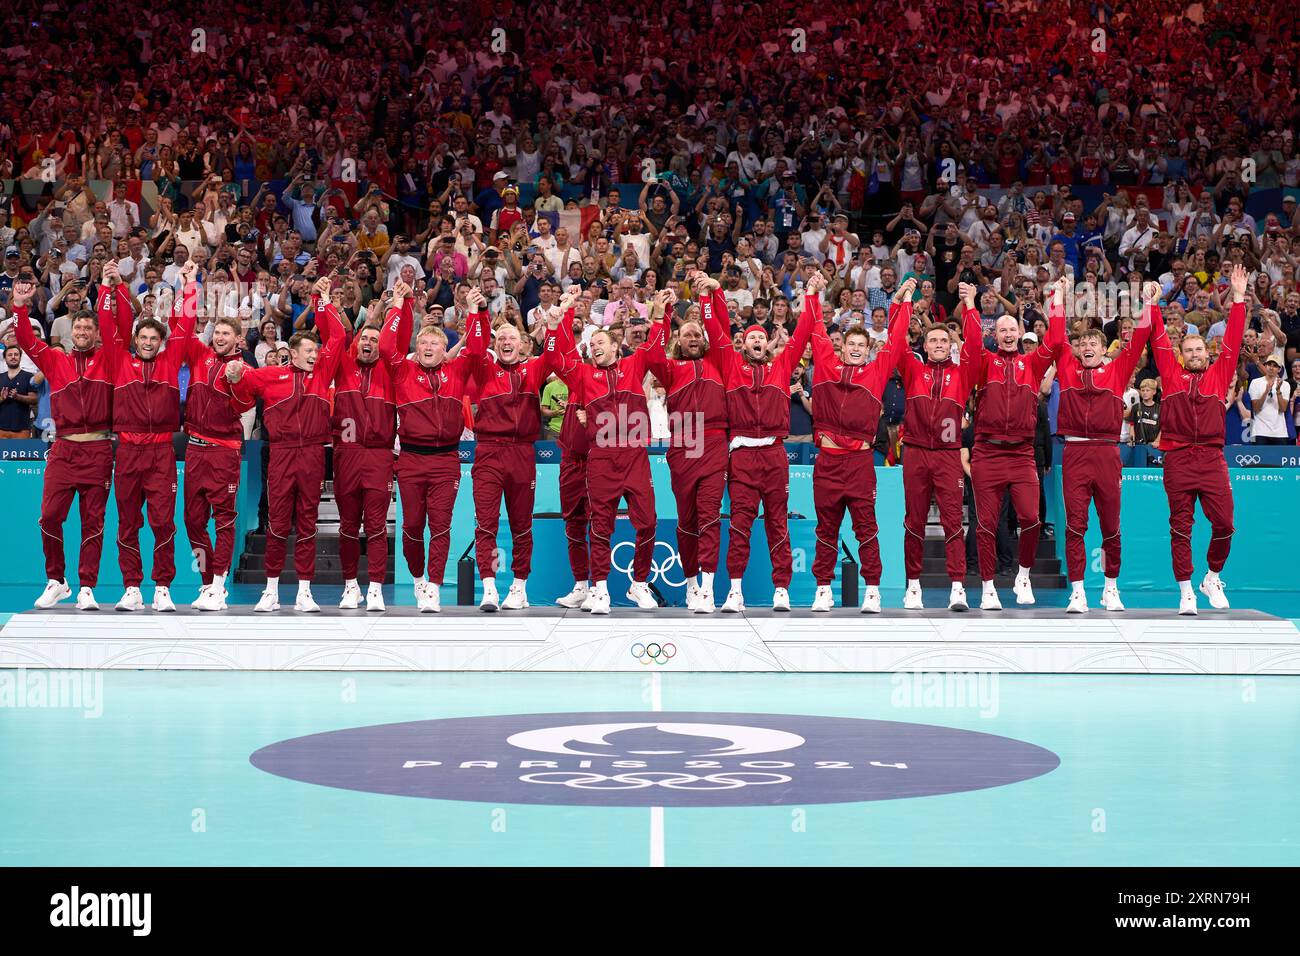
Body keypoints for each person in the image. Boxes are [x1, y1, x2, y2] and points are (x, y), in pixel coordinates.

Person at [225, 278, 348, 613]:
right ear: (292, 354)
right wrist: (234, 370)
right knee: (277, 523)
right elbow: (242, 380)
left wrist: (320, 300)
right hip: (279, 455)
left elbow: (338, 337)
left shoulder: (322, 373)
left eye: (315, 351)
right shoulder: (271, 375)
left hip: (312, 453)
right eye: (308, 351)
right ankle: (271, 589)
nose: (314, 355)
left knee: (308, 522)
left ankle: (305, 590)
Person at [700, 271, 815, 612]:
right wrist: (710, 296)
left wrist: (811, 295)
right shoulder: (731, 365)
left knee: (778, 522)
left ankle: (782, 588)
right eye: (750, 336)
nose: (756, 341)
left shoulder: (781, 368)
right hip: (743, 456)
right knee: (740, 523)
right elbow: (714, 331)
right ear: (744, 343)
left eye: (761, 338)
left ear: (767, 345)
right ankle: (735, 590)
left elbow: (804, 330)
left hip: (775, 456)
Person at [545, 288, 663, 615]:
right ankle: (599, 589)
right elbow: (555, 359)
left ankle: (639, 584)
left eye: (601, 343)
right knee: (600, 525)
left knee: (648, 522)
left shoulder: (634, 364)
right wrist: (555, 327)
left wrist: (660, 315)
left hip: (635, 456)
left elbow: (654, 349)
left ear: (616, 346)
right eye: (591, 345)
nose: (595, 347)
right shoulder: (584, 375)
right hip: (601, 457)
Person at [1043, 276, 1155, 614]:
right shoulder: (1067, 365)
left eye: (1094, 340)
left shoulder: (1118, 370)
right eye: (1083, 342)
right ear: (1078, 349)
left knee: (1110, 525)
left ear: (1103, 347)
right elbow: (1058, 334)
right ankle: (1077, 591)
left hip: (1108, 452)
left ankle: (1111, 587)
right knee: (1075, 524)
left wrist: (1148, 304)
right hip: (1075, 452)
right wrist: (1060, 296)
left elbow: (1139, 339)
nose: (1087, 345)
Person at [805, 272, 913, 612]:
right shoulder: (824, 364)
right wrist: (812, 294)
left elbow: (896, 340)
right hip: (827, 463)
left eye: (860, 346)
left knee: (866, 527)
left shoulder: (877, 370)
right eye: (849, 344)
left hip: (859, 465)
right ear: (842, 347)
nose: (854, 349)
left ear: (869, 350)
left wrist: (903, 303)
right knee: (826, 528)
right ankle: (823, 588)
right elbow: (813, 330)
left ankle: (873, 589)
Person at [1148, 264, 1249, 614]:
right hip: (1177, 459)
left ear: (1207, 354)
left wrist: (1238, 298)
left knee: (1224, 524)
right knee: (1180, 528)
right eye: (1188, 350)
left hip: (1211, 460)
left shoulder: (1220, 374)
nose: (1193, 355)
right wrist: (1152, 306)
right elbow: (1159, 340)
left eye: (1199, 350)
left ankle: (1212, 576)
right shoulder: (1171, 376)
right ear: (1181, 355)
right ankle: (1186, 590)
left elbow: (1234, 339)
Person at [98, 262, 197, 612]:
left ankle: (163, 587)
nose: (148, 343)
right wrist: (110, 287)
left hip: (160, 454)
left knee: (162, 521)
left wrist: (189, 286)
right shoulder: (119, 362)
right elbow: (108, 325)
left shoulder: (171, 364)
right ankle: (131, 587)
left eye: (155, 339)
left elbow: (185, 326)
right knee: (127, 522)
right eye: (143, 338)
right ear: (136, 340)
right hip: (126, 451)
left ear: (161, 343)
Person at [380, 281, 485, 612]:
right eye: (422, 342)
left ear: (444, 349)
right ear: (416, 348)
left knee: (440, 526)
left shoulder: (456, 370)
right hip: (411, 460)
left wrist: (477, 312)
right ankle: (417, 579)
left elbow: (479, 349)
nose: (427, 347)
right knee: (411, 526)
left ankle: (434, 586)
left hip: (445, 462)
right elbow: (385, 347)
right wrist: (399, 304)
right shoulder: (403, 371)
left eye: (433, 343)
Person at [10, 282, 114, 610]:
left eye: (88, 327)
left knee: (93, 522)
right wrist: (20, 306)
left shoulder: (107, 361)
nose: (82, 330)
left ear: (96, 333)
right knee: (49, 517)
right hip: (63, 450)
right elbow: (26, 340)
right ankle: (57, 580)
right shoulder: (56, 360)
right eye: (78, 326)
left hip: (98, 450)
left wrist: (110, 290)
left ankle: (87, 587)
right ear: (71, 330)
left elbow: (118, 329)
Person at [464, 287, 569, 611]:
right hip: (489, 454)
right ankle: (490, 588)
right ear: (496, 347)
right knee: (486, 524)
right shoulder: (485, 370)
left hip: (522, 454)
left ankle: (519, 587)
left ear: (523, 345)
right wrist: (476, 313)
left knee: (522, 525)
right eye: (501, 340)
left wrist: (552, 326)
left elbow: (552, 356)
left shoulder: (533, 369)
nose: (506, 342)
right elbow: (473, 348)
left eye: (512, 338)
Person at [962, 281, 1058, 610]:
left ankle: (1023, 575)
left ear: (1019, 333)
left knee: (1031, 519)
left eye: (1012, 328)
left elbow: (1056, 342)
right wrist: (971, 305)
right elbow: (972, 345)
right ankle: (988, 585)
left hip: (1021, 454)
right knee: (986, 523)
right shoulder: (984, 363)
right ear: (995, 334)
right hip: (987, 451)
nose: (1007, 333)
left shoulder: (1031, 365)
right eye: (1001, 329)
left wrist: (1055, 303)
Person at [643, 276, 729, 613]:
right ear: (678, 341)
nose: (693, 338)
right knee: (687, 520)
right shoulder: (671, 368)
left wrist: (710, 295)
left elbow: (719, 328)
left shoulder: (718, 361)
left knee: (709, 516)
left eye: (698, 334)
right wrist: (662, 316)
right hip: (683, 443)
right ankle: (692, 583)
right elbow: (650, 356)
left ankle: (708, 587)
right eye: (686, 334)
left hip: (714, 440)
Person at [897, 287, 985, 611]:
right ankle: (913, 586)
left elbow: (976, 348)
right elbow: (896, 344)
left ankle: (958, 587)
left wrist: (971, 306)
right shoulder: (913, 371)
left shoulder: (962, 375)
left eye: (943, 341)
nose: (938, 345)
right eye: (933, 340)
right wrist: (904, 303)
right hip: (917, 452)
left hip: (949, 454)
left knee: (952, 521)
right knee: (913, 521)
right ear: (924, 345)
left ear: (951, 346)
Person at [179, 310, 255, 611]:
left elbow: (245, 404)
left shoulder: (244, 370)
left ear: (239, 340)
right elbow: (183, 334)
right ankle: (208, 583)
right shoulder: (201, 356)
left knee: (224, 520)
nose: (220, 338)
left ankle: (219, 585)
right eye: (218, 333)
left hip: (223, 451)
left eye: (227, 334)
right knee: (192, 521)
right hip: (194, 449)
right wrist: (188, 289)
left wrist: (236, 381)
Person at [331, 280, 400, 612]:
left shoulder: (388, 369)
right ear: (355, 345)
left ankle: (374, 587)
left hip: (378, 457)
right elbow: (336, 334)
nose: (370, 343)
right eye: (365, 339)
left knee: (375, 525)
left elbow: (391, 339)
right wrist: (322, 301)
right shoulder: (342, 366)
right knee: (347, 526)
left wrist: (395, 307)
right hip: (346, 456)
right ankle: (349, 585)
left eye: (375, 339)